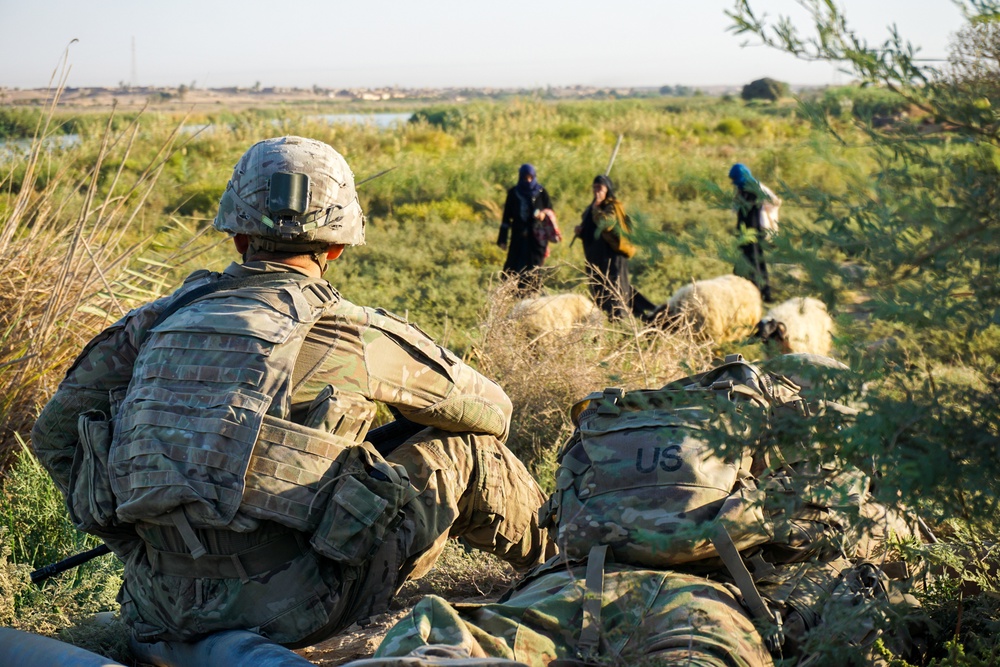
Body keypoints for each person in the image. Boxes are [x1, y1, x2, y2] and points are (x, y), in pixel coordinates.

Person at [30, 136, 554, 650]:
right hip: (300, 611)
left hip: (156, 602)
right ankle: (567, 574)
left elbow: (55, 434)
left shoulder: (153, 321)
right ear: (339, 245)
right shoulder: (352, 332)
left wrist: (138, 545)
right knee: (471, 453)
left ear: (237, 235)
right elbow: (493, 411)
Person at [342, 355, 925, 667]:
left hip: (568, 588)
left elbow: (559, 510)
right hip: (705, 609)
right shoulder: (801, 459)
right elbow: (884, 539)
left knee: (444, 643)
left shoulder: (642, 426)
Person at [575, 175, 654, 321]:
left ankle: (620, 318)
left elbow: (606, 224)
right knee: (600, 287)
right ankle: (608, 317)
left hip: (612, 256)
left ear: (607, 189)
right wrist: (581, 231)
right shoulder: (592, 207)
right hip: (596, 257)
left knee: (616, 288)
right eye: (594, 188)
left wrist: (597, 208)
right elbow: (592, 231)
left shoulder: (611, 206)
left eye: (600, 188)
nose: (596, 191)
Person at [498, 164, 557, 293]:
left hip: (536, 237)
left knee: (534, 267)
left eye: (531, 177)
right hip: (518, 236)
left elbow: (550, 211)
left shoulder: (541, 192)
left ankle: (532, 294)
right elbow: (506, 218)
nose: (528, 181)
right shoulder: (514, 193)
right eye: (525, 178)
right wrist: (502, 239)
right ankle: (511, 294)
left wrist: (543, 214)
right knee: (513, 265)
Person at [729, 163, 780, 304]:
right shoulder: (742, 188)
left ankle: (759, 292)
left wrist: (766, 211)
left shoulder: (755, 187)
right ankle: (761, 292)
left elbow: (774, 201)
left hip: (755, 230)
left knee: (754, 261)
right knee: (751, 260)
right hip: (746, 231)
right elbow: (735, 209)